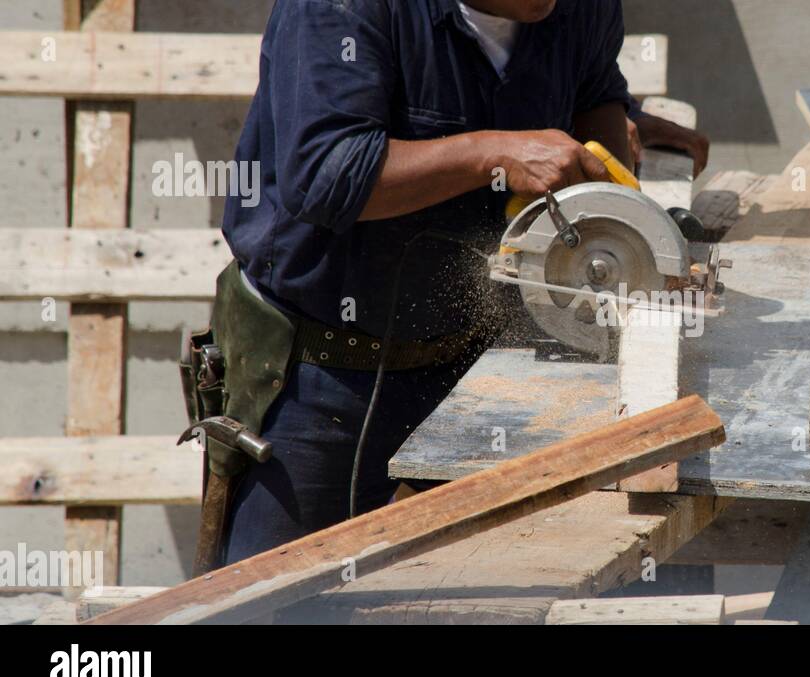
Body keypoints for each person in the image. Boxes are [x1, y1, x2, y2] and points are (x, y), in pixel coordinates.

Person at [206, 0, 710, 565]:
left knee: (478, 591)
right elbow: (327, 175)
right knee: (268, 598)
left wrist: (622, 205)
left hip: (476, 364)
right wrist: (493, 153)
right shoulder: (340, 11)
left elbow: (595, 93)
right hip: (319, 374)